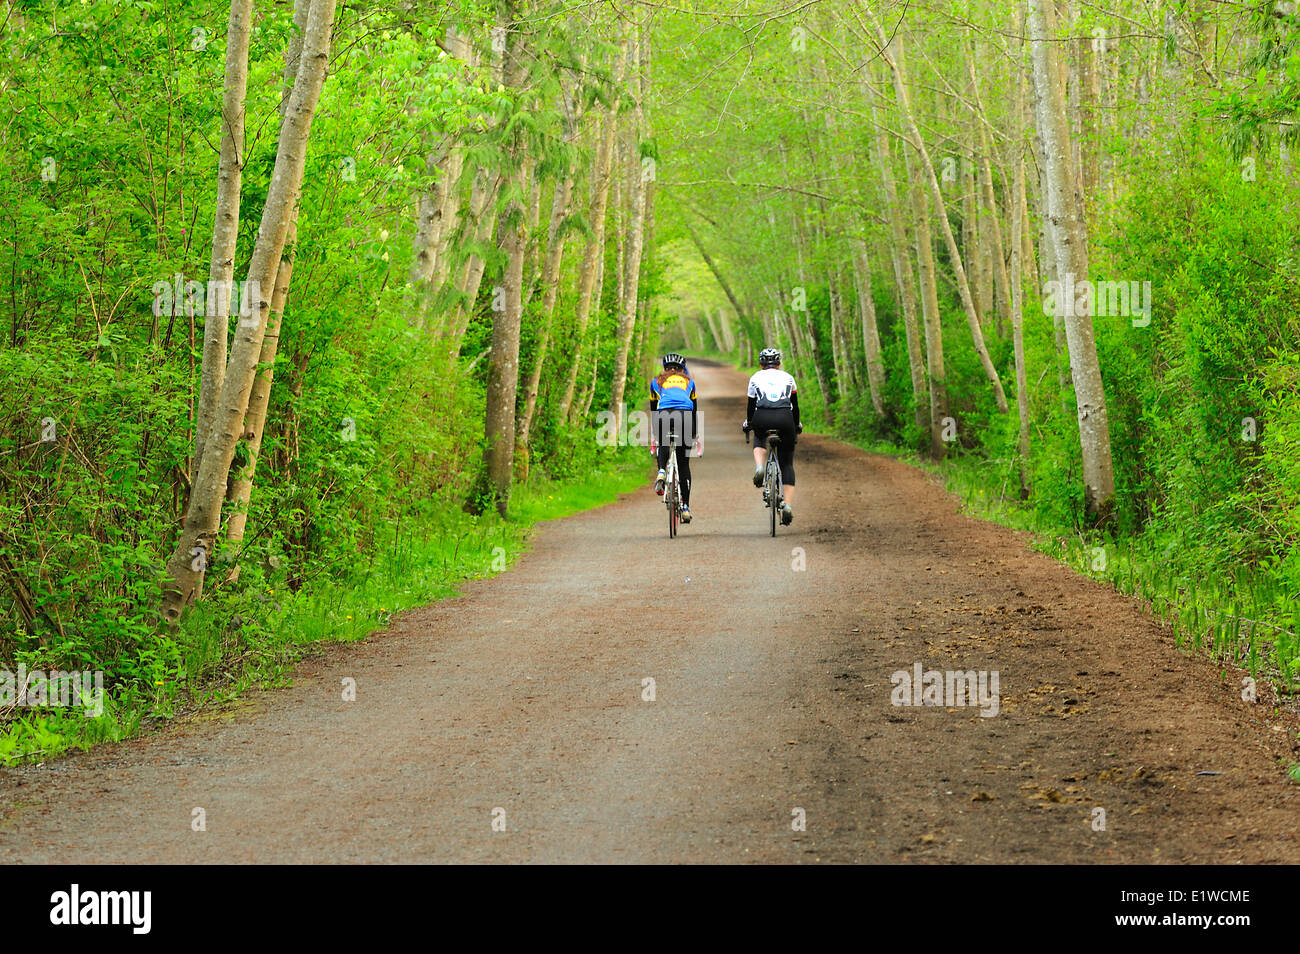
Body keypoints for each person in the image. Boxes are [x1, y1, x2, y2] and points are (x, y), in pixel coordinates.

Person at [742, 347, 800, 525]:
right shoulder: (788, 377)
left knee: (759, 438)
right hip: (785, 418)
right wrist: (796, 425)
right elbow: (795, 406)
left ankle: (760, 467)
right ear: (779, 363)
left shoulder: (755, 378)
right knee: (787, 463)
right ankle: (788, 506)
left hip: (762, 417)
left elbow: (751, 406)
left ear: (761, 364)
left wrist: (749, 423)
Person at [650, 352, 697, 523]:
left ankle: (662, 470)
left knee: (663, 440)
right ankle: (685, 508)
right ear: (682, 369)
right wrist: (694, 434)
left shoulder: (656, 382)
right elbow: (694, 411)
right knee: (683, 464)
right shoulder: (689, 382)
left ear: (665, 368)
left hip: (663, 415)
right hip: (684, 416)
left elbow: (654, 410)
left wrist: (655, 433)